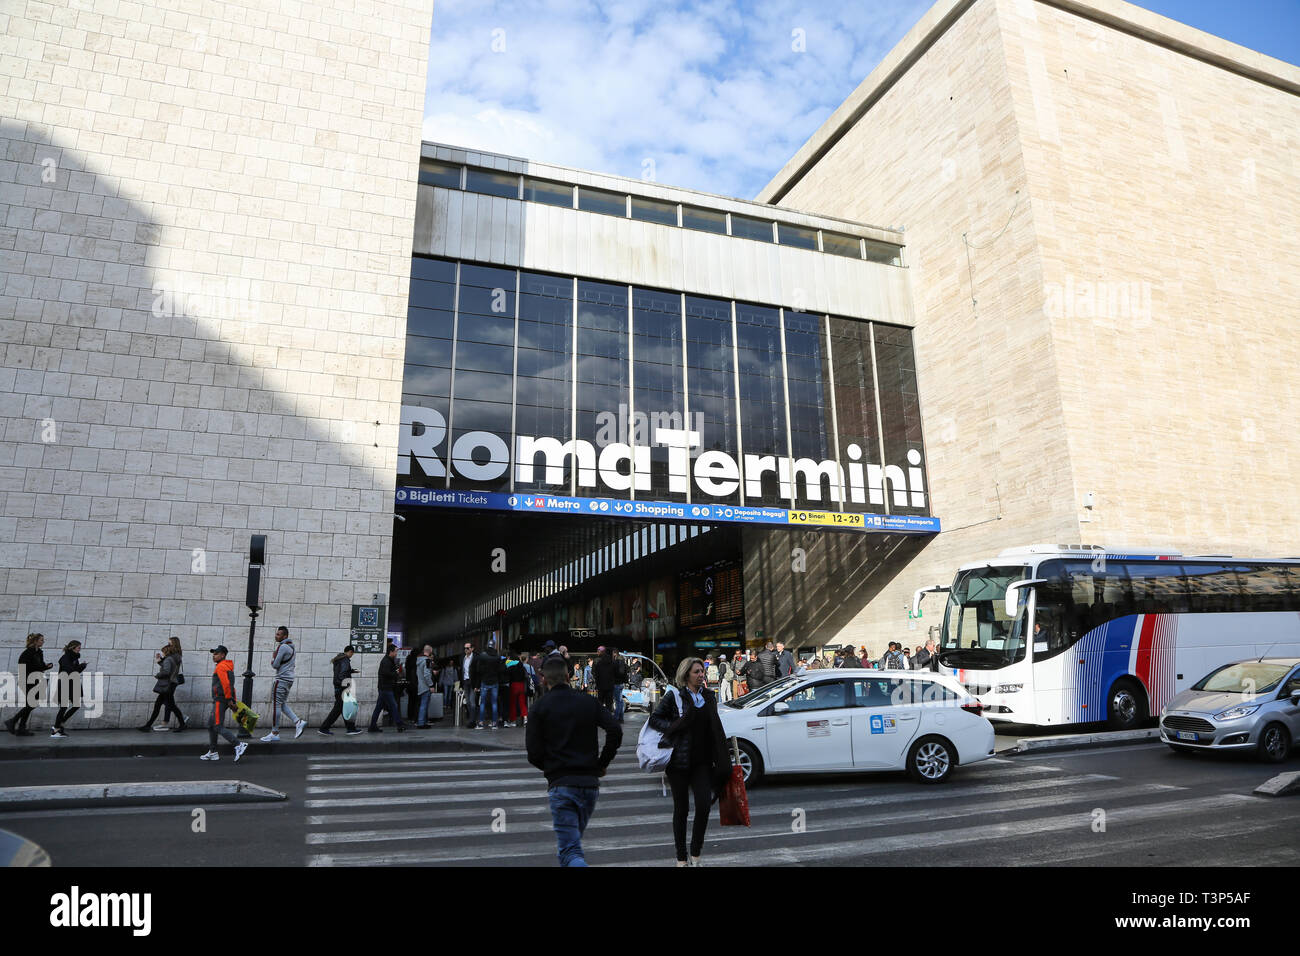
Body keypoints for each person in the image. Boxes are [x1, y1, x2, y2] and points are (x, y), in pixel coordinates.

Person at [526, 656, 622, 867]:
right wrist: (602, 763)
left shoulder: (539, 708)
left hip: (561, 784)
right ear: (569, 676)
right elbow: (614, 729)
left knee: (570, 851)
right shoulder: (587, 701)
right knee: (571, 846)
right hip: (589, 784)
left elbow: (533, 753)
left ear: (544, 680)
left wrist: (552, 767)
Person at [648, 657, 731, 867]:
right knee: (682, 809)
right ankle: (681, 857)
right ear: (686, 675)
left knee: (704, 806)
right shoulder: (675, 696)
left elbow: (716, 727)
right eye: (696, 672)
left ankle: (696, 852)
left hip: (702, 762)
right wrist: (676, 724)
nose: (701, 675)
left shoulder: (709, 697)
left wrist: (722, 757)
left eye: (702, 671)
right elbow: (654, 719)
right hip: (678, 763)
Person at [200, 644, 247, 762]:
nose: (213, 656)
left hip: (220, 700)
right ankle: (213, 752)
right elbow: (231, 686)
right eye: (213, 654)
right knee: (211, 724)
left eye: (216, 654)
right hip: (225, 699)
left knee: (217, 726)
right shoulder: (228, 667)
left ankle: (238, 744)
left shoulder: (221, 667)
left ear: (222, 655)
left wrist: (230, 700)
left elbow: (226, 684)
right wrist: (232, 700)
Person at [262, 626, 306, 741]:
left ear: (285, 636)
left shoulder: (282, 647)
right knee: (281, 704)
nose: (276, 636)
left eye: (278, 634)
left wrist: (273, 659)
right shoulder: (292, 647)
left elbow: (275, 665)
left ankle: (274, 732)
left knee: (276, 706)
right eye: (276, 634)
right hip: (289, 680)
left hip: (281, 679)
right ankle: (298, 722)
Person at [6, 633, 52, 736]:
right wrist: (40, 668)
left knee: (30, 704)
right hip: (27, 680)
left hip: (36, 680)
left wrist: (46, 666)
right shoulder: (27, 653)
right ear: (35, 641)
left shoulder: (39, 652)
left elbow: (39, 666)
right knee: (32, 703)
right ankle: (13, 721)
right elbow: (26, 668)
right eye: (41, 640)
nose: (43, 642)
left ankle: (21, 728)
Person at [139, 643, 184, 732]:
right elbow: (167, 667)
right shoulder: (172, 659)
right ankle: (148, 725)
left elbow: (166, 671)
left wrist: (158, 675)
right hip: (170, 684)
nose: (162, 653)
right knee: (161, 705)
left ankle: (182, 724)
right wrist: (160, 661)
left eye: (163, 651)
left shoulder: (168, 659)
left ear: (166, 652)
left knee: (169, 706)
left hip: (167, 685)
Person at [319, 645, 363, 735]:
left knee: (344, 709)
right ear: (350, 652)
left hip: (338, 687)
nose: (352, 655)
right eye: (352, 653)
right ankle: (324, 728)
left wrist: (351, 671)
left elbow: (341, 672)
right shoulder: (345, 660)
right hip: (343, 688)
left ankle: (350, 728)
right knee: (340, 709)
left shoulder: (339, 658)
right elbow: (342, 675)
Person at [51, 640, 88, 737]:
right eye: (78, 648)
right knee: (64, 707)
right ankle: (56, 729)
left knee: (76, 705)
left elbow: (75, 671)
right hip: (65, 683)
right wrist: (80, 666)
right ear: (73, 648)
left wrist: (82, 666)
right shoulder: (66, 657)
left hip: (72, 683)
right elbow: (69, 670)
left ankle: (59, 724)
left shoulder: (74, 658)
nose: (80, 650)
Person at [368, 642, 406, 733]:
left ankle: (372, 726)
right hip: (385, 687)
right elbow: (386, 673)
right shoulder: (386, 661)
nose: (397, 654)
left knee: (378, 708)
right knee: (393, 705)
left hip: (384, 687)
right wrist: (396, 672)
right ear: (391, 652)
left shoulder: (389, 660)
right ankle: (399, 725)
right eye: (396, 652)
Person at [505, 650, 529, 727]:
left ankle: (513, 721)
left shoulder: (510, 664)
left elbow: (508, 674)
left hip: (514, 685)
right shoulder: (521, 665)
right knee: (522, 703)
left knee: (513, 703)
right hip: (521, 685)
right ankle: (525, 718)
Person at [415, 644, 436, 728]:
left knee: (423, 704)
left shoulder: (418, 660)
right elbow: (427, 675)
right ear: (430, 651)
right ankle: (421, 723)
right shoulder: (427, 661)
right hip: (426, 686)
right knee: (424, 704)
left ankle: (423, 722)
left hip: (420, 685)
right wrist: (431, 685)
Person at [593, 646, 616, 713]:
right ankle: (608, 719)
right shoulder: (612, 662)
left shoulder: (597, 661)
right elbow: (616, 673)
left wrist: (597, 683)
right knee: (609, 704)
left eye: (598, 651)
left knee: (600, 703)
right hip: (610, 686)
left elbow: (595, 674)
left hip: (601, 686)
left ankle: (600, 719)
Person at [611, 648, 628, 723]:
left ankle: (616, 718)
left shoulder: (616, 662)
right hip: (621, 683)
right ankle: (621, 718)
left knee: (617, 701)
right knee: (620, 701)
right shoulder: (623, 661)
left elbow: (618, 673)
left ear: (615, 653)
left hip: (616, 683)